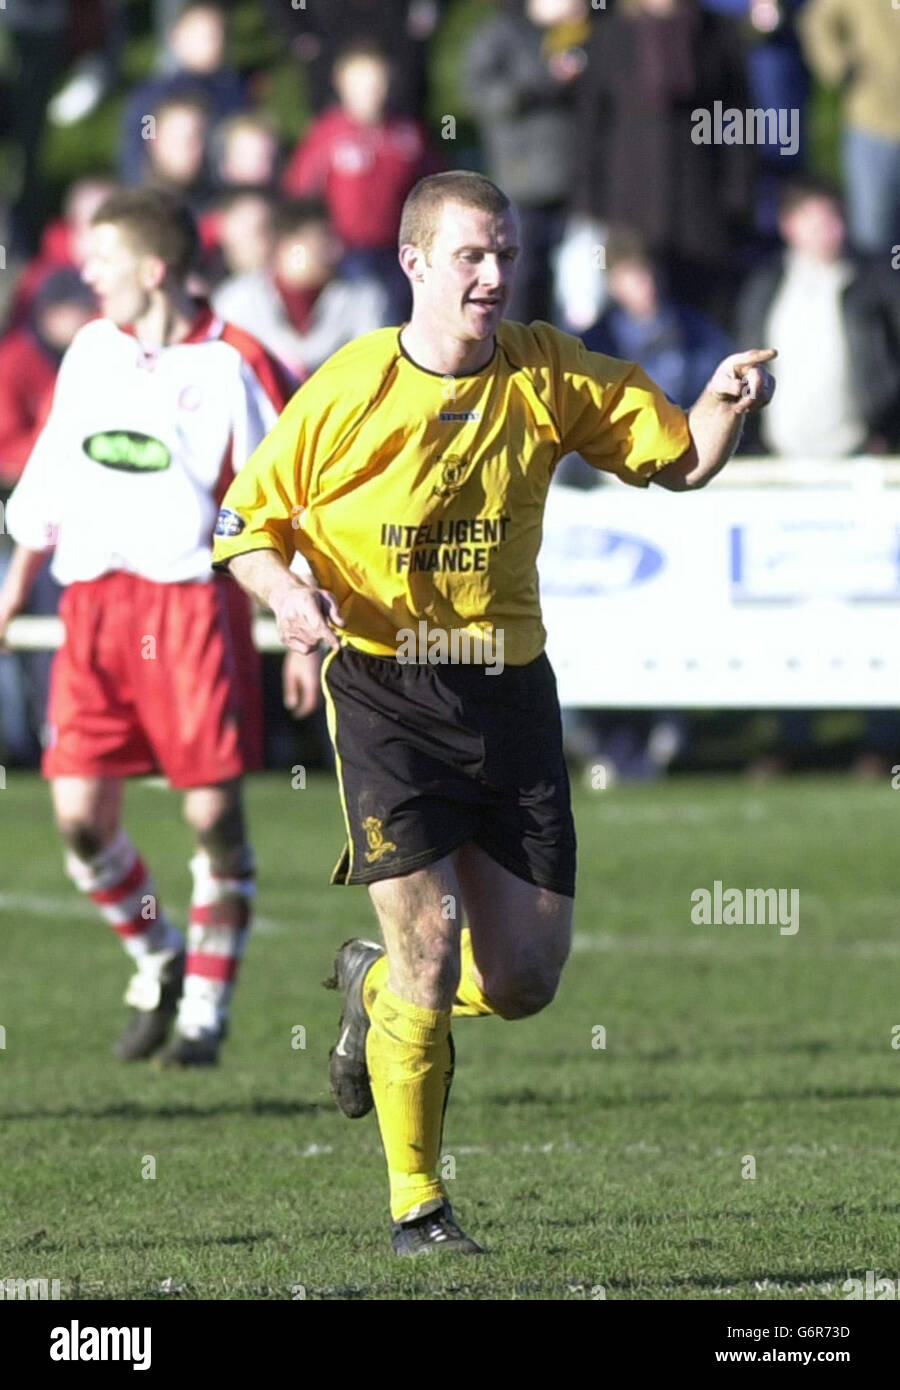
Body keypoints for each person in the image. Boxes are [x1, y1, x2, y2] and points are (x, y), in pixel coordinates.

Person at [211, 169, 776, 1254]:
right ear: (414, 263)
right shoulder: (349, 387)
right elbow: (244, 525)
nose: (493, 274)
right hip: (384, 684)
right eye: (471, 254)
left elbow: (685, 459)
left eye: (505, 253)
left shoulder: (547, 369)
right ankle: (418, 1204)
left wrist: (723, 403)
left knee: (522, 978)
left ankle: (373, 990)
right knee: (430, 938)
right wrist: (288, 597)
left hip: (509, 688)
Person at [0, 189, 306, 1067]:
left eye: (102, 260)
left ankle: (206, 1011)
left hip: (189, 609)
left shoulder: (236, 363)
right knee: (81, 823)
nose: (85, 275)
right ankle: (158, 952)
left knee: (212, 817)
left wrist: (291, 615)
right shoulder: (92, 349)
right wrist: (14, 586)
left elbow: (286, 500)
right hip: (91, 607)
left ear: (154, 269)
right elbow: (54, 478)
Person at [736, 178, 900, 456]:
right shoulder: (764, 287)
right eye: (820, 224)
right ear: (789, 225)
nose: (834, 232)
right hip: (779, 456)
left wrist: (888, 431)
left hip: (861, 455)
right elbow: (744, 364)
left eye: (837, 219)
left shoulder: (877, 283)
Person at [281, 40, 440, 324]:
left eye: (378, 83)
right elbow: (300, 198)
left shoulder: (407, 135)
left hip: (398, 255)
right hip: (344, 258)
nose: (371, 93)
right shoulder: (325, 136)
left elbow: (432, 192)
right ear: (342, 84)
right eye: (361, 83)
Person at [463, 0, 592, 324]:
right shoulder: (500, 35)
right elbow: (482, 96)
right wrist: (546, 79)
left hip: (581, 183)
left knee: (580, 287)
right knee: (521, 280)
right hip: (524, 184)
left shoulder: (586, 33)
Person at [212, 198, 388, 379]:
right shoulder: (237, 301)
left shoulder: (362, 297)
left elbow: (374, 366)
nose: (336, 251)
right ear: (288, 246)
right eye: (321, 243)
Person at [800, 0, 900, 257]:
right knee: (872, 235)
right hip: (873, 125)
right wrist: (838, 66)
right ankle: (877, 297)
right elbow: (816, 21)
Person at [119, 1, 246, 186]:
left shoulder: (233, 90)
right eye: (206, 36)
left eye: (222, 35)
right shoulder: (153, 97)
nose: (217, 44)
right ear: (177, 38)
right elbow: (140, 145)